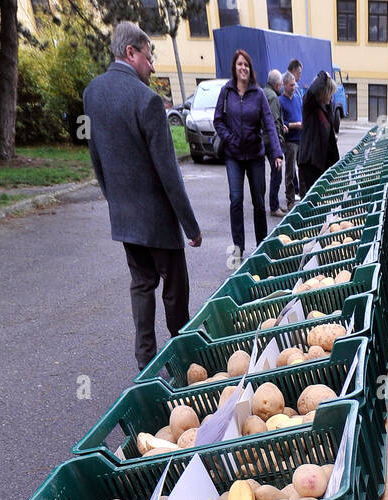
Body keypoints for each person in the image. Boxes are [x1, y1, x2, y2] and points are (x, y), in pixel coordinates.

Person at [83, 22, 202, 371]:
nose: (152, 67)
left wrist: (114, 202)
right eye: (148, 58)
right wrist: (190, 227)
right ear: (130, 52)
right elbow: (169, 173)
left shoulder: (92, 93)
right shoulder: (147, 100)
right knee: (174, 290)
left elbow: (96, 157)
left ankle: (145, 360)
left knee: (141, 284)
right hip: (158, 221)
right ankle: (183, 357)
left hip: (124, 219)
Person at [213, 49, 282, 262]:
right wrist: (229, 138)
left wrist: (277, 152)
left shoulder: (258, 94)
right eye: (239, 64)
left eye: (246, 65)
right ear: (234, 67)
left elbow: (269, 124)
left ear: (250, 69)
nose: (243, 68)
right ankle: (238, 249)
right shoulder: (227, 92)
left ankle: (261, 248)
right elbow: (218, 120)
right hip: (233, 155)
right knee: (236, 200)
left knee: (259, 202)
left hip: (254, 155)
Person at [298, 71, 339, 195]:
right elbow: (311, 91)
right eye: (330, 93)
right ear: (322, 92)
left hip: (322, 164)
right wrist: (324, 75)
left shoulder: (326, 108)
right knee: (312, 200)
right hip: (310, 163)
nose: (331, 97)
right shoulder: (310, 105)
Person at [263, 68, 286, 215]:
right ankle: (274, 206)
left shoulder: (263, 92)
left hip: (263, 140)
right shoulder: (273, 97)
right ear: (277, 85)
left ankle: (274, 205)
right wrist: (279, 141)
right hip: (271, 141)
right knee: (277, 173)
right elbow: (273, 122)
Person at [280, 69, 303, 209]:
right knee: (290, 171)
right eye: (291, 85)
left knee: (303, 169)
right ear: (284, 85)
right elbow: (281, 123)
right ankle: (290, 200)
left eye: (294, 85)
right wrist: (295, 125)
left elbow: (301, 114)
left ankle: (304, 195)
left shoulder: (297, 98)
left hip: (301, 139)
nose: (294, 88)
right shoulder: (280, 101)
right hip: (290, 141)